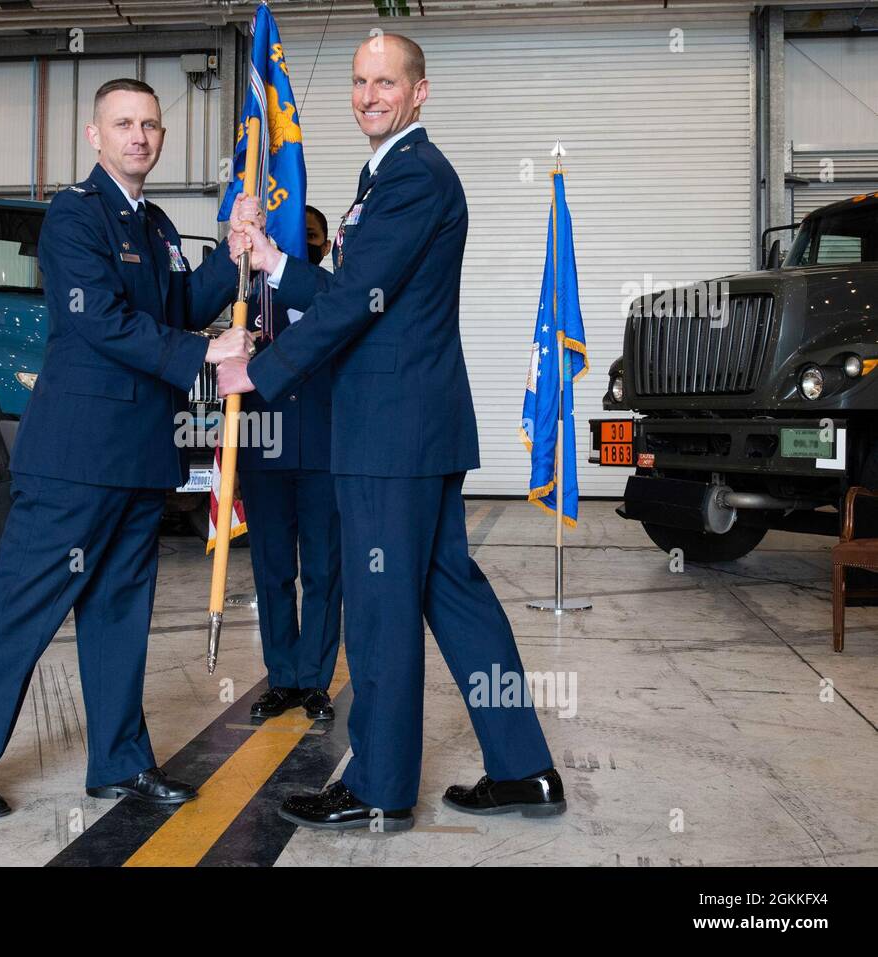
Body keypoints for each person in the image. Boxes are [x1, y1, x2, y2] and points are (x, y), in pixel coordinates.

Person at [222, 35, 564, 830]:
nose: (369, 94)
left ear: (420, 93)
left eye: (386, 82)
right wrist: (274, 261)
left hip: (390, 430)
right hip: (414, 426)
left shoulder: (412, 175)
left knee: (379, 607)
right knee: (454, 593)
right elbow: (358, 289)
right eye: (359, 81)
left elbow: (350, 305)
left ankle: (378, 784)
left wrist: (260, 372)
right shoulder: (391, 176)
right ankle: (526, 768)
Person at [0, 78, 254, 819]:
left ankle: (120, 764)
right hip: (75, 457)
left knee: (118, 617)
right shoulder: (75, 216)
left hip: (139, 458)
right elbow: (101, 321)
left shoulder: (159, 225)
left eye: (151, 126)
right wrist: (204, 355)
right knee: (21, 609)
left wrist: (231, 252)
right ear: (94, 135)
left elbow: (180, 303)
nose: (140, 136)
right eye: (125, 123)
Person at [237, 205, 341, 722]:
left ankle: (315, 681)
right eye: (297, 235)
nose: (308, 243)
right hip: (264, 446)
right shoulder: (248, 295)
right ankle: (282, 678)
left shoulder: (332, 294)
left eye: (315, 237)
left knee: (323, 570)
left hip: (323, 448)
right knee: (273, 568)